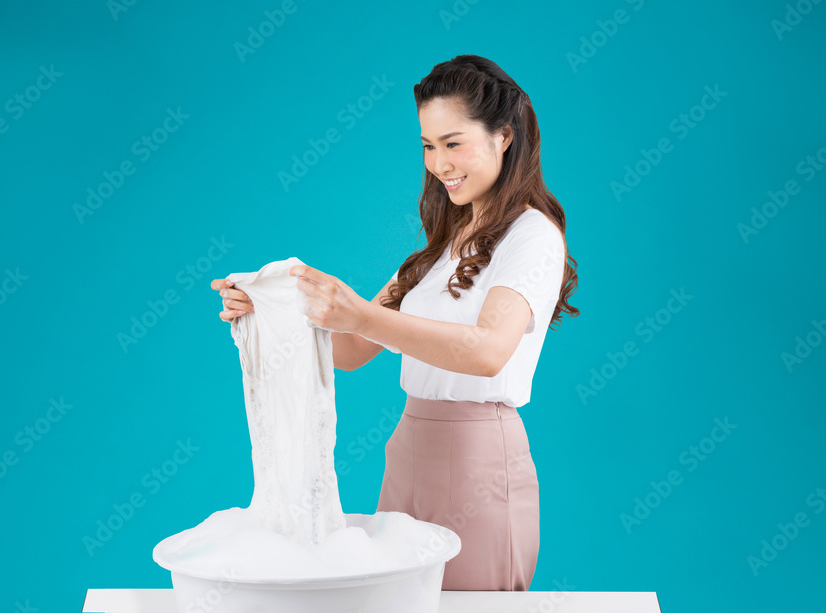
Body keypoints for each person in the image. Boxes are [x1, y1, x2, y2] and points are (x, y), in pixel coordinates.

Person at [210, 54, 579, 591]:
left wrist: (359, 312)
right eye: (428, 146)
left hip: (476, 459)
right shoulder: (438, 251)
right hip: (407, 450)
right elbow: (351, 350)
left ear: (503, 136)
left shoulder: (532, 235)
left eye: (453, 143)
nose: (439, 163)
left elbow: (488, 351)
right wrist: (269, 311)